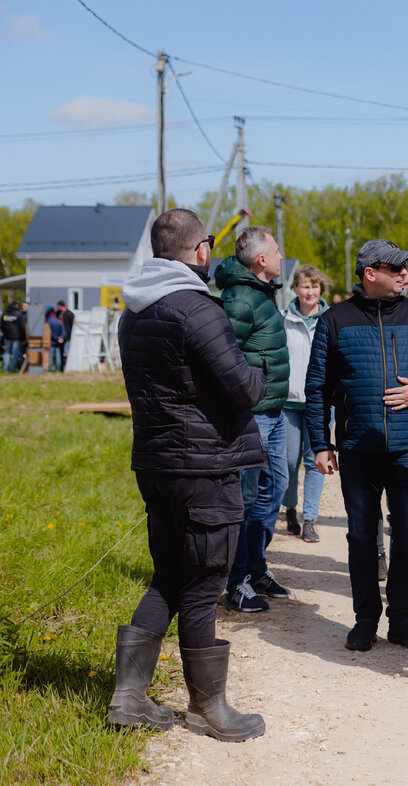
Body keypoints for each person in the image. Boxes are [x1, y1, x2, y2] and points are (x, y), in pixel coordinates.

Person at [111, 207, 265, 741]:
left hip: (156, 464)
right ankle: (212, 708)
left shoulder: (133, 311)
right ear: (201, 252)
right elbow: (243, 388)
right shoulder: (197, 310)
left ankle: (129, 697)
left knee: (170, 577)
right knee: (202, 585)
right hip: (204, 468)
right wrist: (261, 368)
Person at [306, 239, 408, 652]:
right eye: (394, 268)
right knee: (361, 536)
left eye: (405, 268)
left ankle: (400, 618)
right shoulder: (334, 320)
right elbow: (317, 388)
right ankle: (365, 619)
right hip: (357, 448)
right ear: (368, 273)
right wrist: (320, 444)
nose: (404, 274)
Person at [215, 226, 293, 613]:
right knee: (247, 498)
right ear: (261, 260)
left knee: (275, 489)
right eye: (276, 252)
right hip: (253, 415)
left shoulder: (260, 293)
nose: (281, 257)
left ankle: (256, 568)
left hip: (274, 411)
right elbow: (225, 359)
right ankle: (236, 581)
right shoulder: (240, 300)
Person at [281, 264, 332, 543]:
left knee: (317, 461)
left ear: (320, 289)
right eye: (305, 286)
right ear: (296, 289)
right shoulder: (283, 319)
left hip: (321, 403)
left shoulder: (330, 320)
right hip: (289, 403)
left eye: (314, 286)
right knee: (289, 461)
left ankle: (310, 519)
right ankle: (290, 508)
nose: (310, 291)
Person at [0, 300, 26, 373]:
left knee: (6, 352)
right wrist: (23, 336)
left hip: (7, 337)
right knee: (15, 353)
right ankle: (12, 369)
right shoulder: (18, 314)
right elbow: (22, 326)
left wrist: (5, 333)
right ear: (16, 305)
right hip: (17, 337)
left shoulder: (5, 314)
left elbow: (1, 326)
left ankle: (5, 369)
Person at [45, 308, 64, 372]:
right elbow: (63, 332)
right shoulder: (59, 321)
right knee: (58, 357)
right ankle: (58, 370)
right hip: (58, 343)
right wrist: (61, 338)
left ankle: (49, 371)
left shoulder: (48, 321)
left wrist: (56, 338)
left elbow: (48, 332)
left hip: (51, 342)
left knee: (50, 357)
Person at [57, 300, 75, 370]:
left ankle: (70, 367)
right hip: (62, 338)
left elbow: (72, 326)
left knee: (67, 352)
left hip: (68, 337)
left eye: (59, 307)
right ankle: (62, 368)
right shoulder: (60, 314)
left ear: (62, 306)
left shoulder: (69, 314)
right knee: (62, 353)